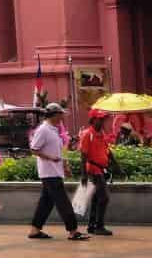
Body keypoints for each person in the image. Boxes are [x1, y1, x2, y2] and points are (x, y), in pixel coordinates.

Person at [28, 103, 88, 241]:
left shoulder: (54, 130)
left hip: (55, 172)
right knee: (63, 202)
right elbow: (34, 149)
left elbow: (58, 151)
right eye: (60, 114)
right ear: (54, 115)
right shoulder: (43, 130)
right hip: (49, 173)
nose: (62, 117)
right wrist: (51, 158)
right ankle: (73, 231)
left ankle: (34, 230)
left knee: (46, 203)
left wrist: (64, 166)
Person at [79, 113, 113, 236]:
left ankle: (92, 226)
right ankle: (99, 226)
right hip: (94, 171)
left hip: (101, 170)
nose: (103, 122)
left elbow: (107, 151)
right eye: (100, 119)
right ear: (93, 120)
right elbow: (83, 155)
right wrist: (83, 175)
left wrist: (115, 164)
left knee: (96, 198)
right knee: (104, 198)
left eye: (103, 119)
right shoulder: (87, 134)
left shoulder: (101, 134)